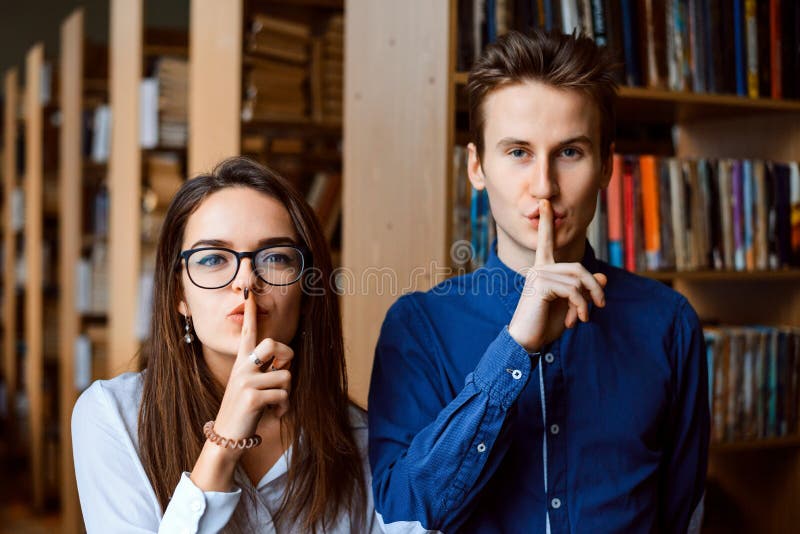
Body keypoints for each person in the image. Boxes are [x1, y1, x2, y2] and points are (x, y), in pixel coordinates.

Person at [368, 29, 709, 533]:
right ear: (476, 166)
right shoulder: (418, 327)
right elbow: (403, 513)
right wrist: (513, 350)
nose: (545, 186)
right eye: (518, 152)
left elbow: (680, 515)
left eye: (569, 152)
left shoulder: (668, 323)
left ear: (606, 166)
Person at [72, 157, 380, 533]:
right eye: (214, 258)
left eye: (276, 257)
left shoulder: (362, 439)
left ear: (307, 291)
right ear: (177, 295)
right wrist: (225, 441)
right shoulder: (114, 416)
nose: (246, 281)